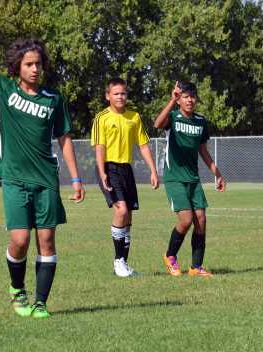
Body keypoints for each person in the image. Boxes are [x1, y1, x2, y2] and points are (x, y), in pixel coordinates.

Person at [0, 0, 85, 318]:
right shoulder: (4, 90)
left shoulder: (53, 99)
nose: (35, 69)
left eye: (38, 64)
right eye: (29, 64)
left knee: (47, 241)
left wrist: (75, 178)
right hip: (15, 179)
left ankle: (41, 302)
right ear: (17, 65)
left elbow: (64, 138)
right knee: (19, 240)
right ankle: (17, 290)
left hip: (46, 179)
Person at [154, 81, 225, 277]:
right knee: (185, 220)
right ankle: (170, 256)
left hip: (193, 179)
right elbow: (157, 124)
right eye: (185, 97)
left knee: (201, 220)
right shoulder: (173, 117)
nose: (190, 100)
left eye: (193, 97)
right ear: (179, 100)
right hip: (174, 178)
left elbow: (203, 151)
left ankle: (196, 267)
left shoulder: (201, 121)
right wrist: (171, 100)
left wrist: (217, 173)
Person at [91, 78, 159, 277]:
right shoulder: (101, 118)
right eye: (116, 93)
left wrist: (153, 170)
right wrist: (102, 171)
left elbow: (143, 145)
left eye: (123, 93)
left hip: (126, 169)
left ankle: (123, 264)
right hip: (108, 168)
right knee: (121, 211)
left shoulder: (134, 117)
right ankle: (118, 261)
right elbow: (99, 147)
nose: (120, 97)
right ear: (108, 96)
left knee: (128, 216)